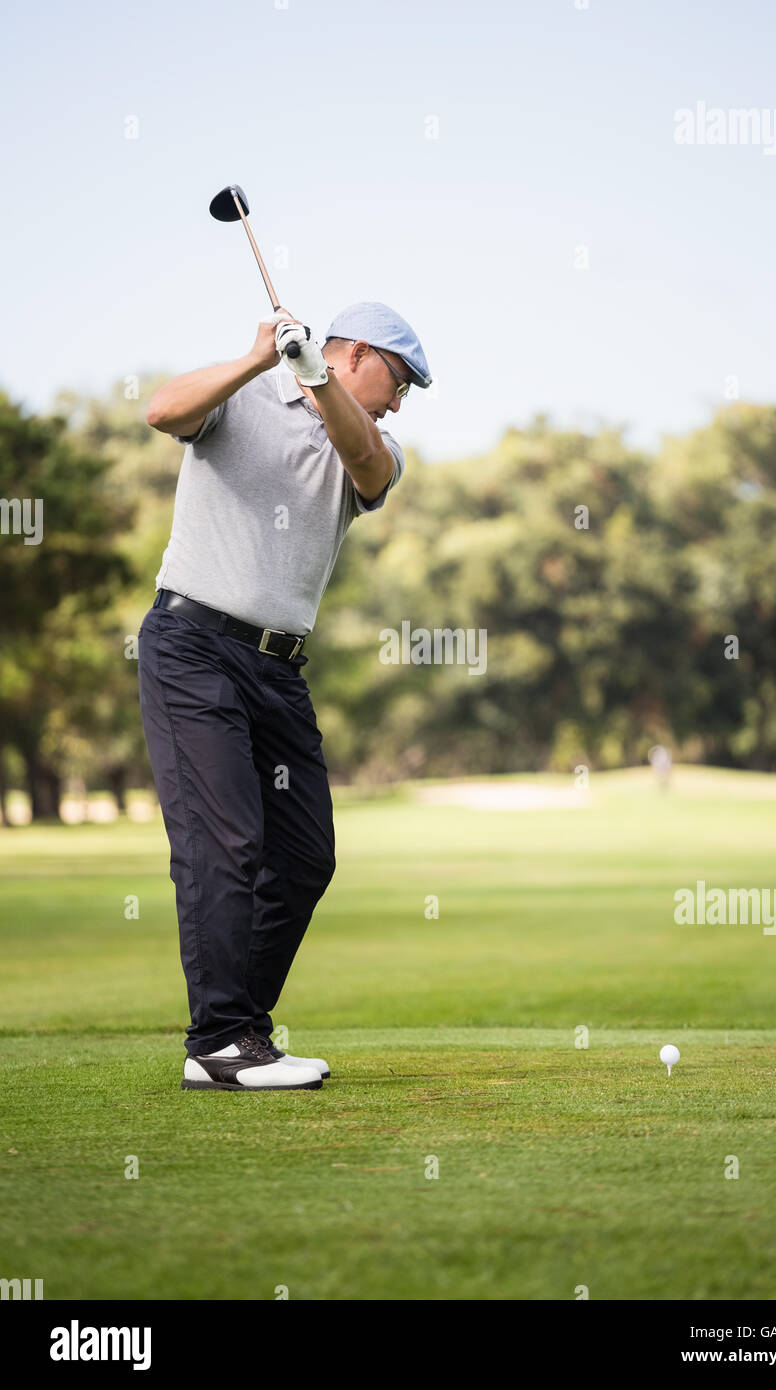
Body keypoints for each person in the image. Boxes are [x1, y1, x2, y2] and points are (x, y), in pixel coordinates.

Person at [138, 302, 432, 1091]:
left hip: (277, 669)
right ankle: (220, 1042)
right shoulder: (241, 398)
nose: (400, 402)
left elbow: (367, 464)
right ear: (362, 353)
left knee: (304, 856)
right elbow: (162, 409)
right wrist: (259, 359)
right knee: (225, 844)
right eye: (398, 381)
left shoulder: (370, 441)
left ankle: (242, 1032)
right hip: (193, 648)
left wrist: (318, 379)